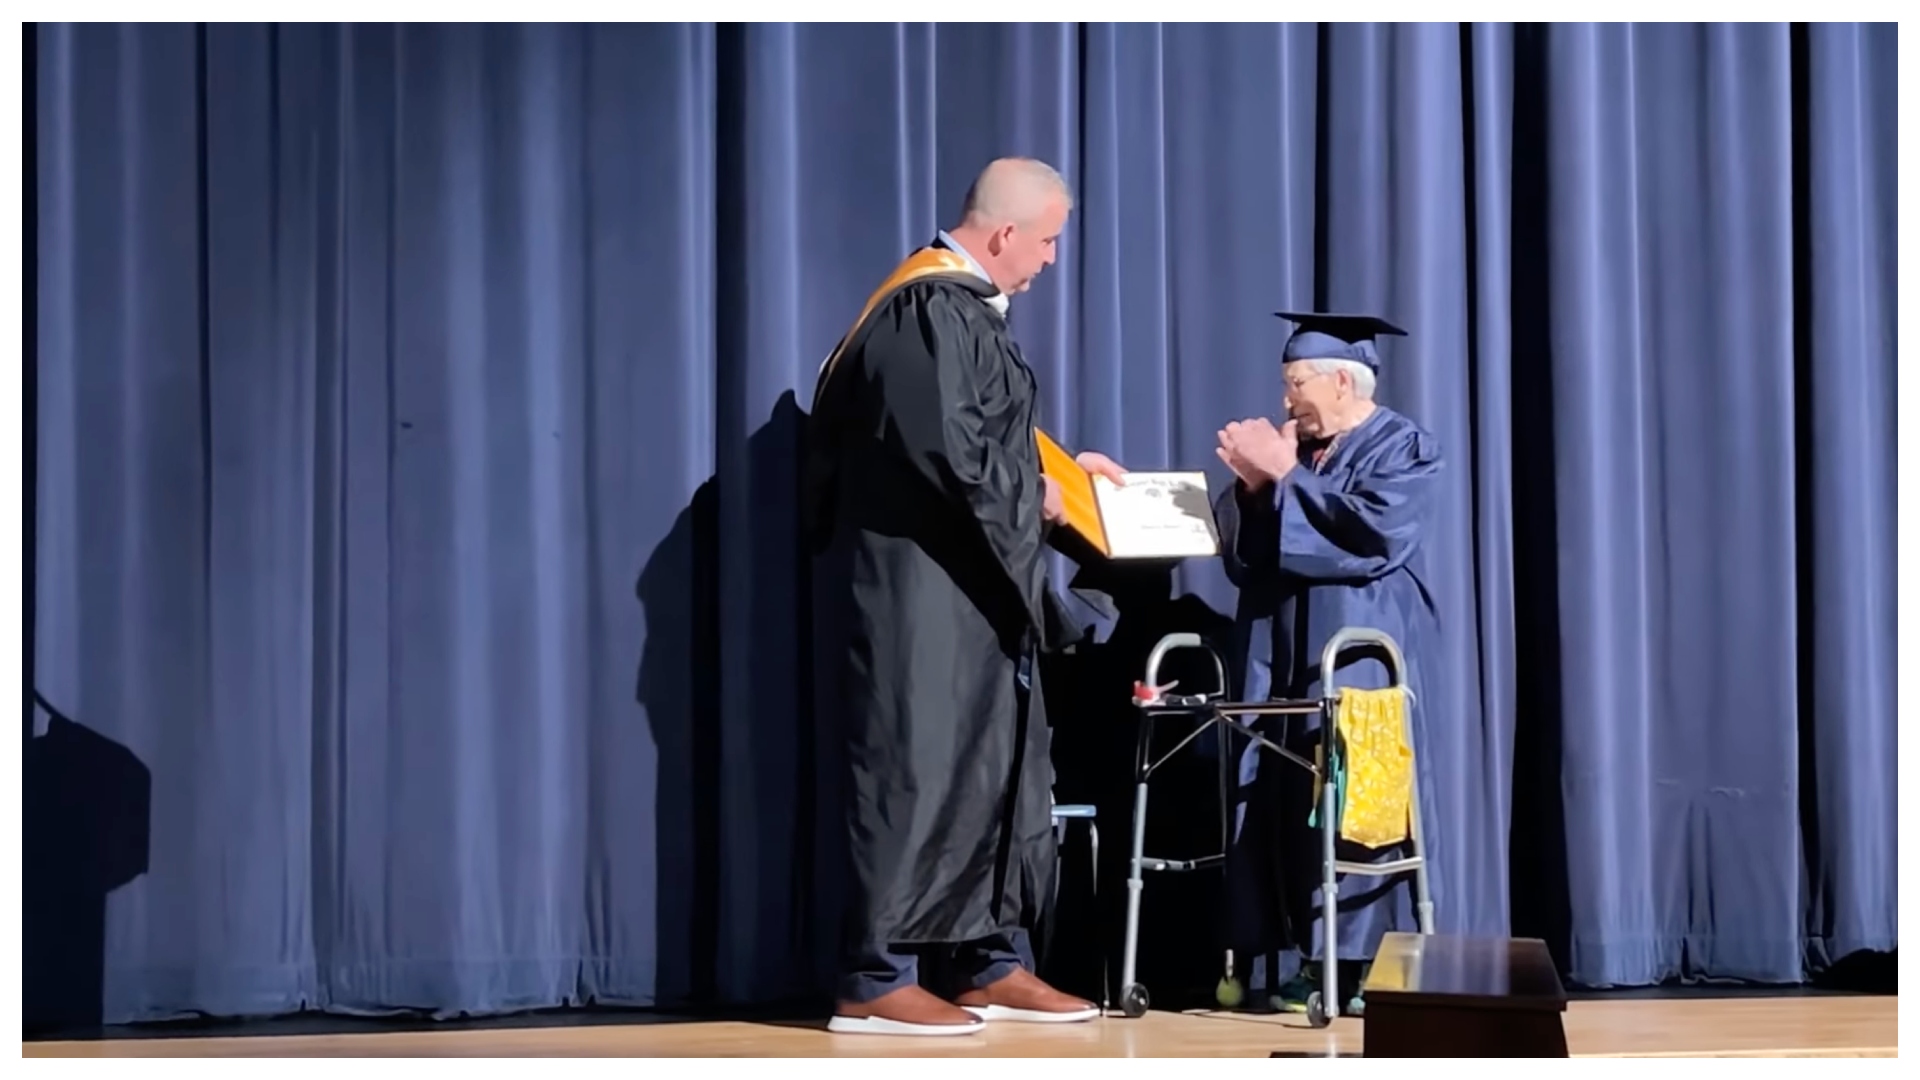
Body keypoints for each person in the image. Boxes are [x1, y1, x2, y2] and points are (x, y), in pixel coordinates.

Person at [803, 157, 1127, 1037]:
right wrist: (1040, 498)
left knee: (990, 771)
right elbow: (953, 456)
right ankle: (875, 976)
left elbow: (988, 440)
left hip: (974, 593)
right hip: (921, 596)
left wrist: (1068, 478)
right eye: (1048, 241)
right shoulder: (927, 309)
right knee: (914, 768)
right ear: (1006, 233)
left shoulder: (962, 314)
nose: (1052, 259)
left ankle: (983, 963)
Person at [1210, 312, 1443, 1016]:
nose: (1286, 400)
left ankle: (1366, 963)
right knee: (1280, 793)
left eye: (1297, 384)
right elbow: (1251, 555)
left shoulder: (1403, 446)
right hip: (1280, 652)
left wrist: (1285, 476)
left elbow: (1375, 535)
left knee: (1356, 798)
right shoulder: (1301, 450)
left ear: (1342, 381)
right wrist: (1254, 490)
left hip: (1358, 650)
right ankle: (1302, 956)